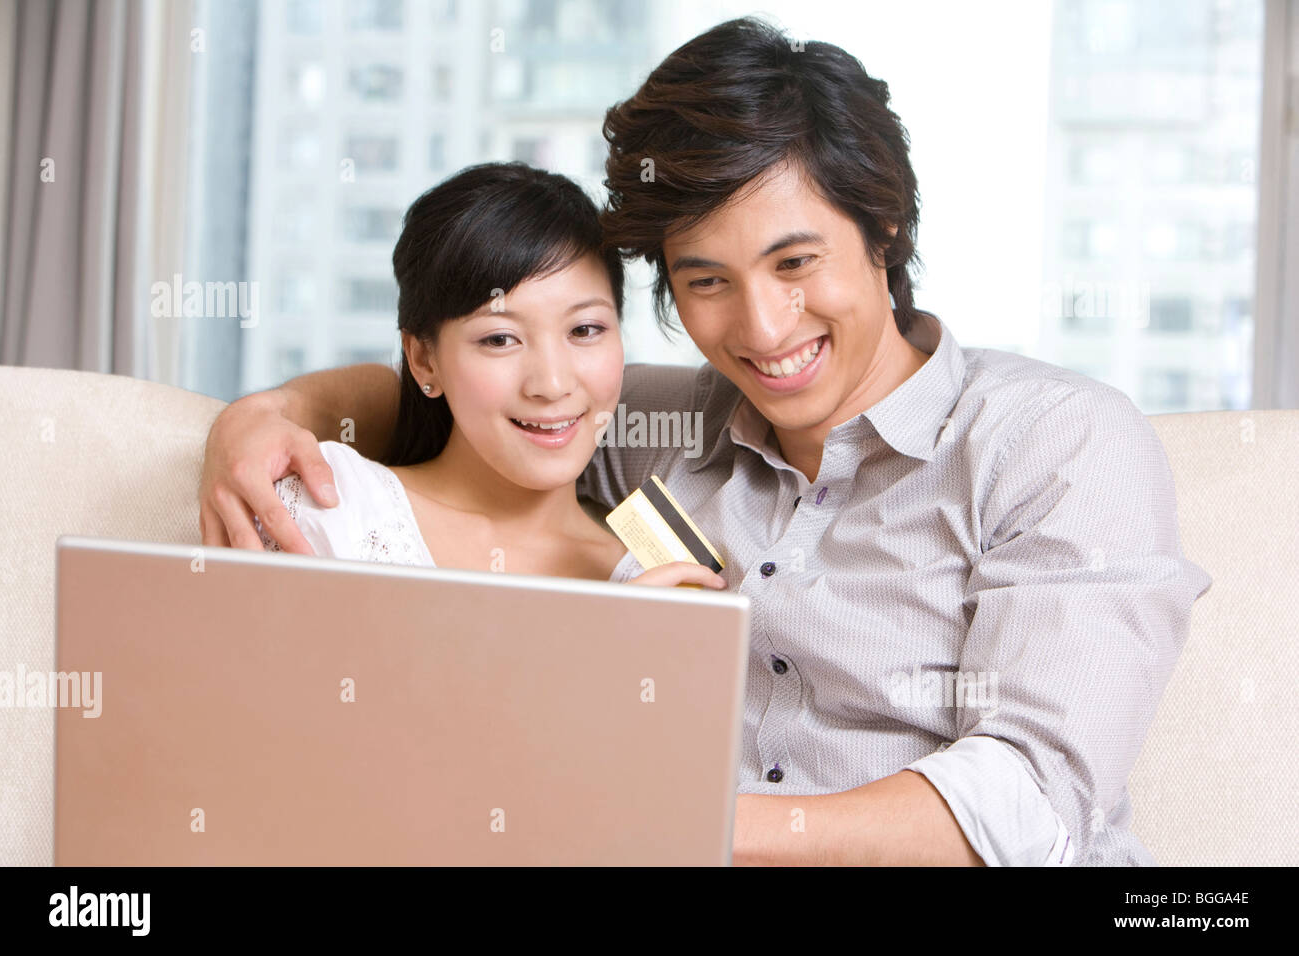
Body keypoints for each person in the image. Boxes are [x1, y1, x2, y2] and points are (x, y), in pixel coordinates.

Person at [200, 17, 1212, 866]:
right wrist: (265, 418)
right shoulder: (658, 422)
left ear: (885, 229)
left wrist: (669, 825)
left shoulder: (1055, 441)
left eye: (795, 262)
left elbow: (1033, 796)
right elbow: (471, 394)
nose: (764, 331)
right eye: (706, 281)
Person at [247, 161, 724, 591]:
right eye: (499, 339)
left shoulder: (663, 581)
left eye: (584, 329)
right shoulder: (325, 511)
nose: (552, 384)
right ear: (424, 361)